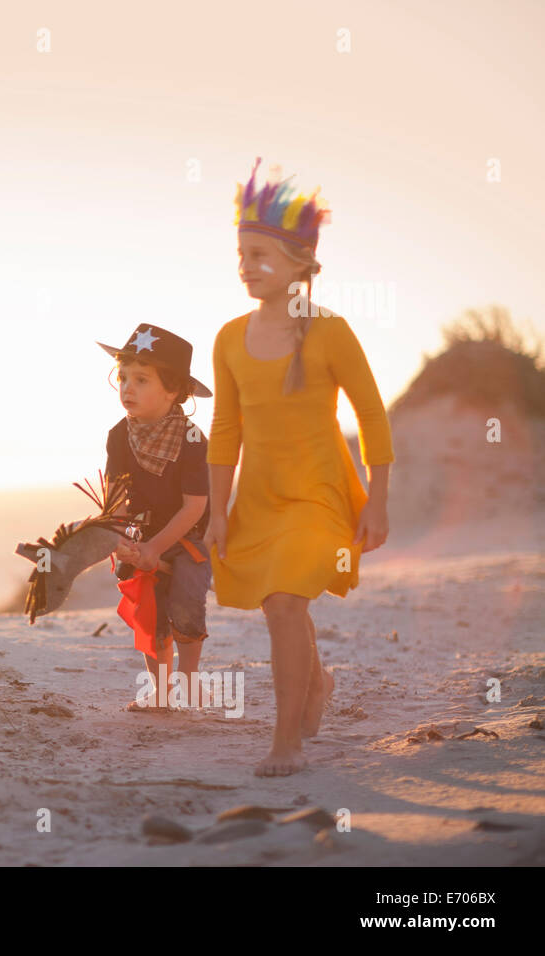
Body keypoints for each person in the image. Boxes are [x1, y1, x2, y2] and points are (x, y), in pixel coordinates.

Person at [204, 158, 394, 776]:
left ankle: (285, 742)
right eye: (241, 253)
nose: (246, 266)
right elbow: (225, 431)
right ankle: (317, 685)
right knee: (277, 604)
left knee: (286, 602)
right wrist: (216, 511)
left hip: (320, 492)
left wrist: (377, 496)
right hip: (258, 495)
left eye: (260, 254)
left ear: (300, 263)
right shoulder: (229, 337)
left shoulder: (329, 331)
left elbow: (370, 413)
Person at [97, 325, 214, 711]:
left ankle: (190, 681)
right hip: (139, 535)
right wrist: (123, 539)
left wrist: (156, 546)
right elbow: (117, 497)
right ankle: (160, 691)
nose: (127, 388)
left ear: (174, 390)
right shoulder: (119, 436)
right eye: (123, 378)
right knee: (147, 609)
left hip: (184, 537)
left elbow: (194, 506)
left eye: (141, 380)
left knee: (185, 602)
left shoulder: (192, 439)